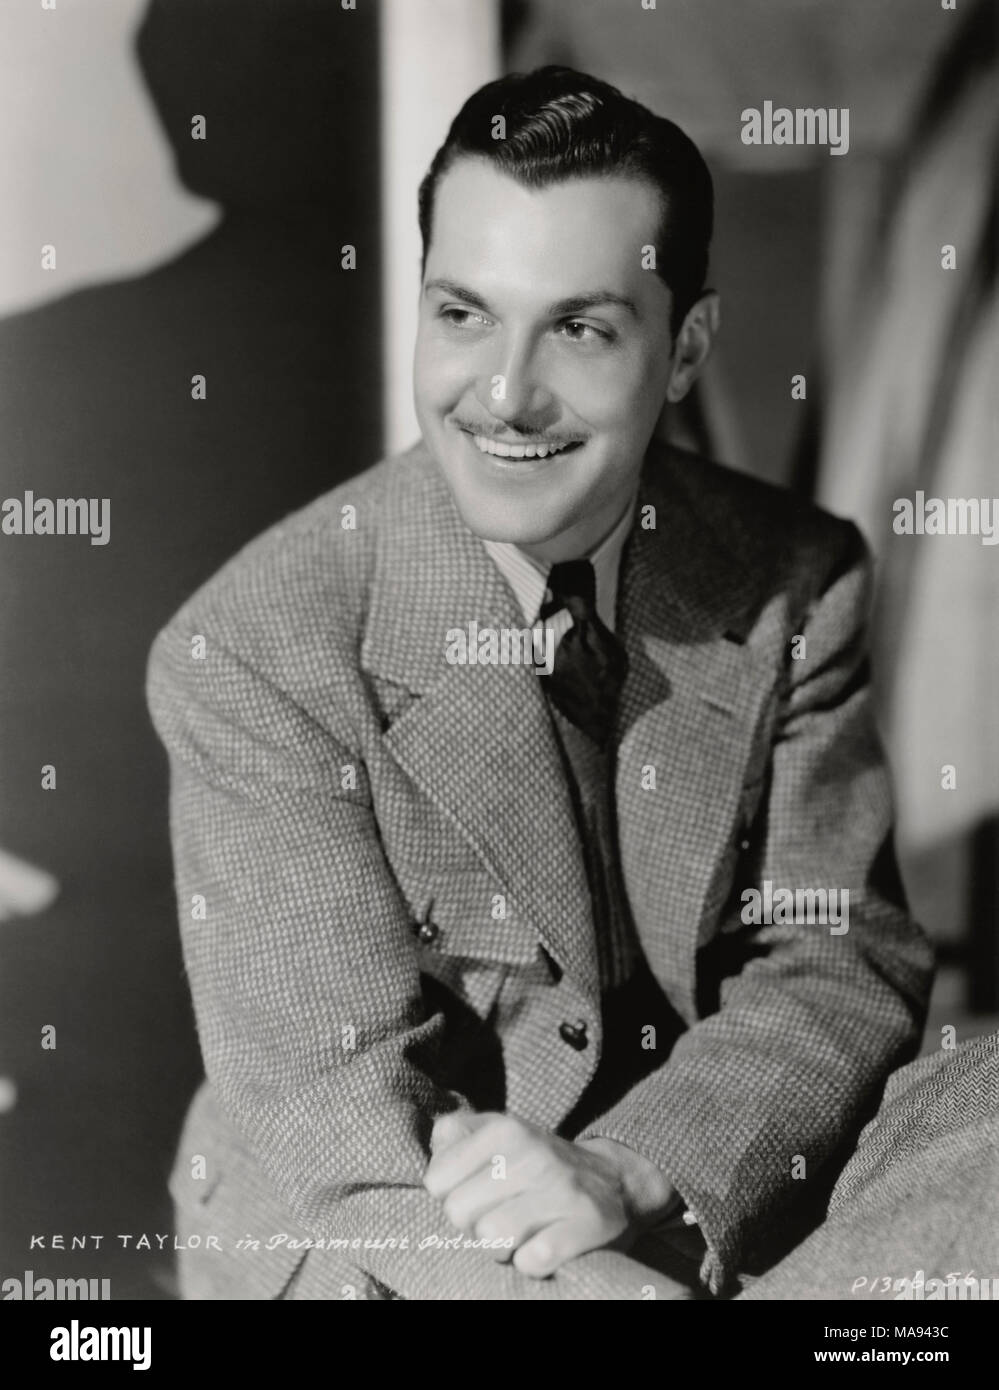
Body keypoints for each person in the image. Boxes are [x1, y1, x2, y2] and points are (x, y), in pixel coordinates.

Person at [147, 66, 933, 1301]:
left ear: (686, 351)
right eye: (463, 315)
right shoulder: (254, 648)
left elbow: (831, 960)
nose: (504, 395)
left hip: (676, 1179)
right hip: (390, 1230)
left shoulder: (794, 577)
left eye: (579, 328)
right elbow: (347, 1126)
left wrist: (633, 1167)